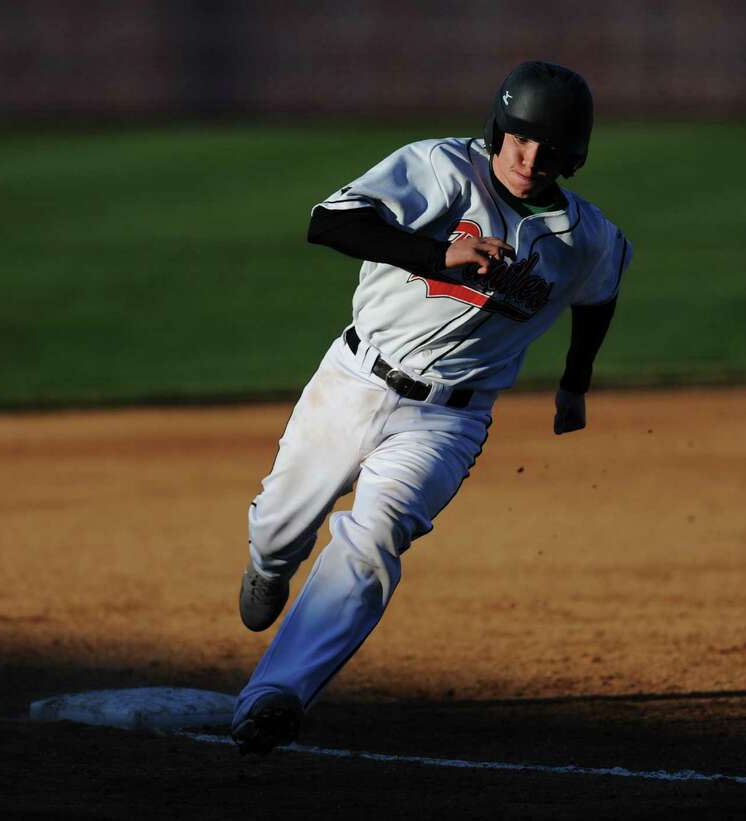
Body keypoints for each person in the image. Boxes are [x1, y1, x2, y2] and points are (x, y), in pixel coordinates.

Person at [230, 61, 632, 755]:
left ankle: (275, 692)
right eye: (520, 139)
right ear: (498, 129)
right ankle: (268, 564)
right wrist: (439, 252)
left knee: (374, 536)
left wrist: (576, 379)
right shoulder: (442, 169)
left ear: (575, 157)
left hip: (451, 420)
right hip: (355, 378)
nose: (530, 159)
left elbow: (601, 293)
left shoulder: (583, 236)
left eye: (550, 148)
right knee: (277, 526)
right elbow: (330, 222)